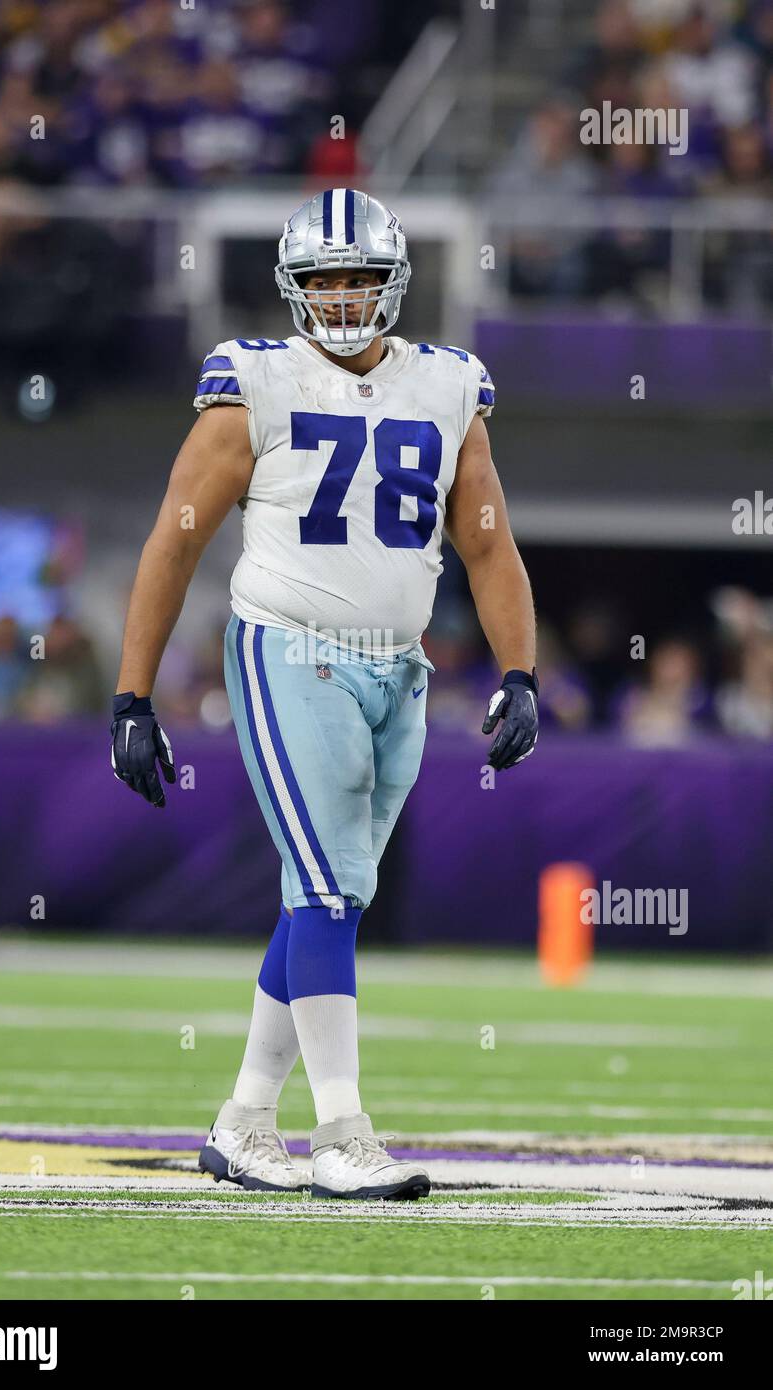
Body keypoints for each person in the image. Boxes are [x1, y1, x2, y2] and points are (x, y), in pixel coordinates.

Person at [111, 189, 538, 1200]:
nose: (342, 297)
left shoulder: (446, 386)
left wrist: (521, 670)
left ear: (394, 281)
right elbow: (175, 541)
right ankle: (341, 1132)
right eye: (323, 279)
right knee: (327, 886)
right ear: (292, 288)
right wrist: (133, 692)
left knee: (331, 892)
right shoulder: (252, 381)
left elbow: (485, 540)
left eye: (357, 277)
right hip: (288, 650)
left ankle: (243, 1121)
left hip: (400, 667)